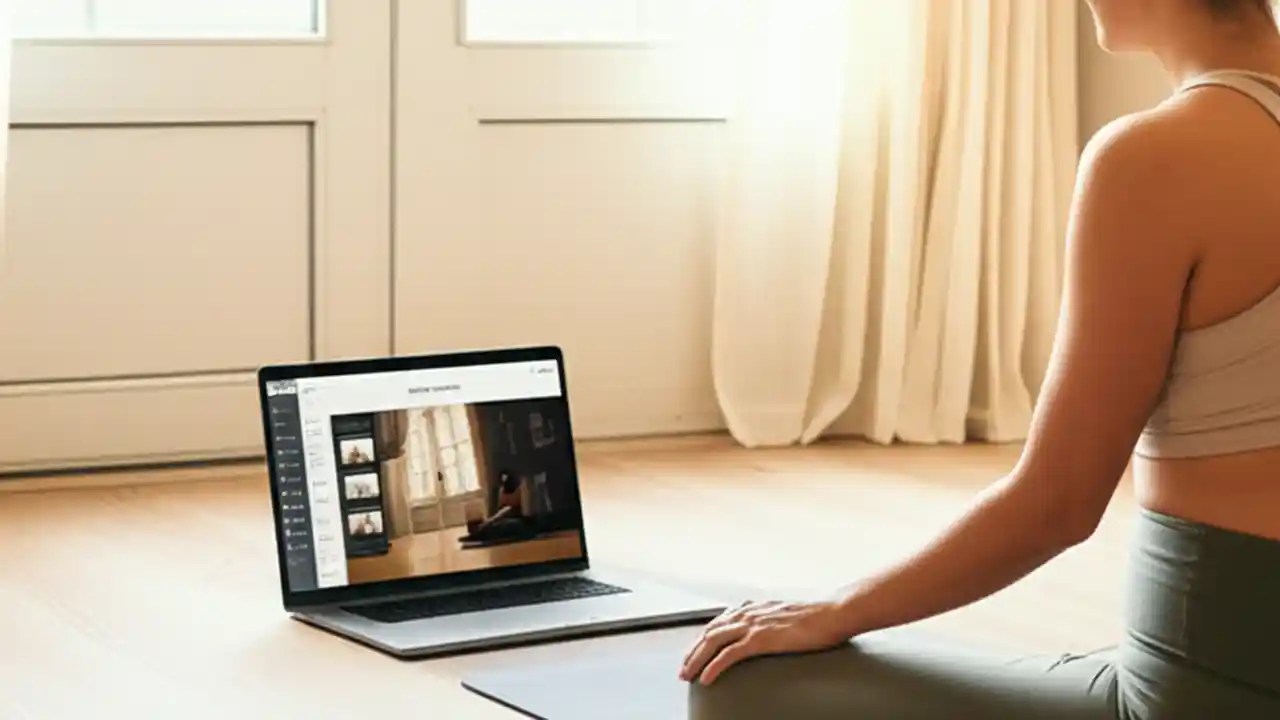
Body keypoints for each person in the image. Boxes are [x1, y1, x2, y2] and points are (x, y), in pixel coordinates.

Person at [681, 1, 1280, 717]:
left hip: (1214, 685)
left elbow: (1057, 505)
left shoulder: (1155, 158)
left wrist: (837, 608)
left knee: (738, 689)